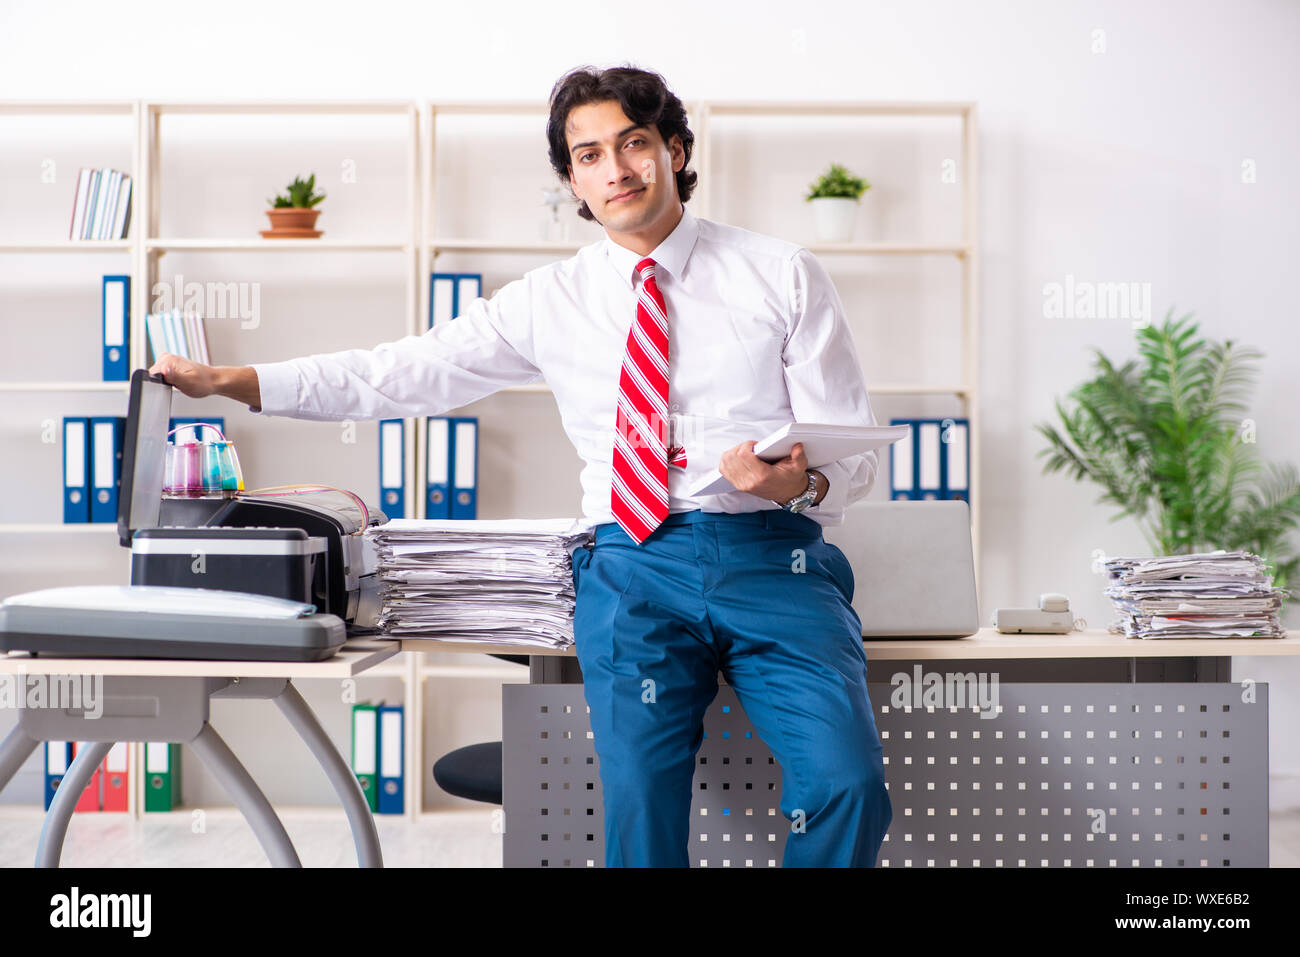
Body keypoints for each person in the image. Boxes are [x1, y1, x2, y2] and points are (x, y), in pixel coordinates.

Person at [150, 64, 892, 867]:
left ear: (675, 149)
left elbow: (853, 449)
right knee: (642, 802)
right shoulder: (549, 300)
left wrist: (802, 483)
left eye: (634, 143)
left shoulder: (780, 273)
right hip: (633, 565)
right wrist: (236, 382)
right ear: (572, 178)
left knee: (849, 783)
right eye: (588, 155)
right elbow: (393, 372)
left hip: (773, 559)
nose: (615, 170)